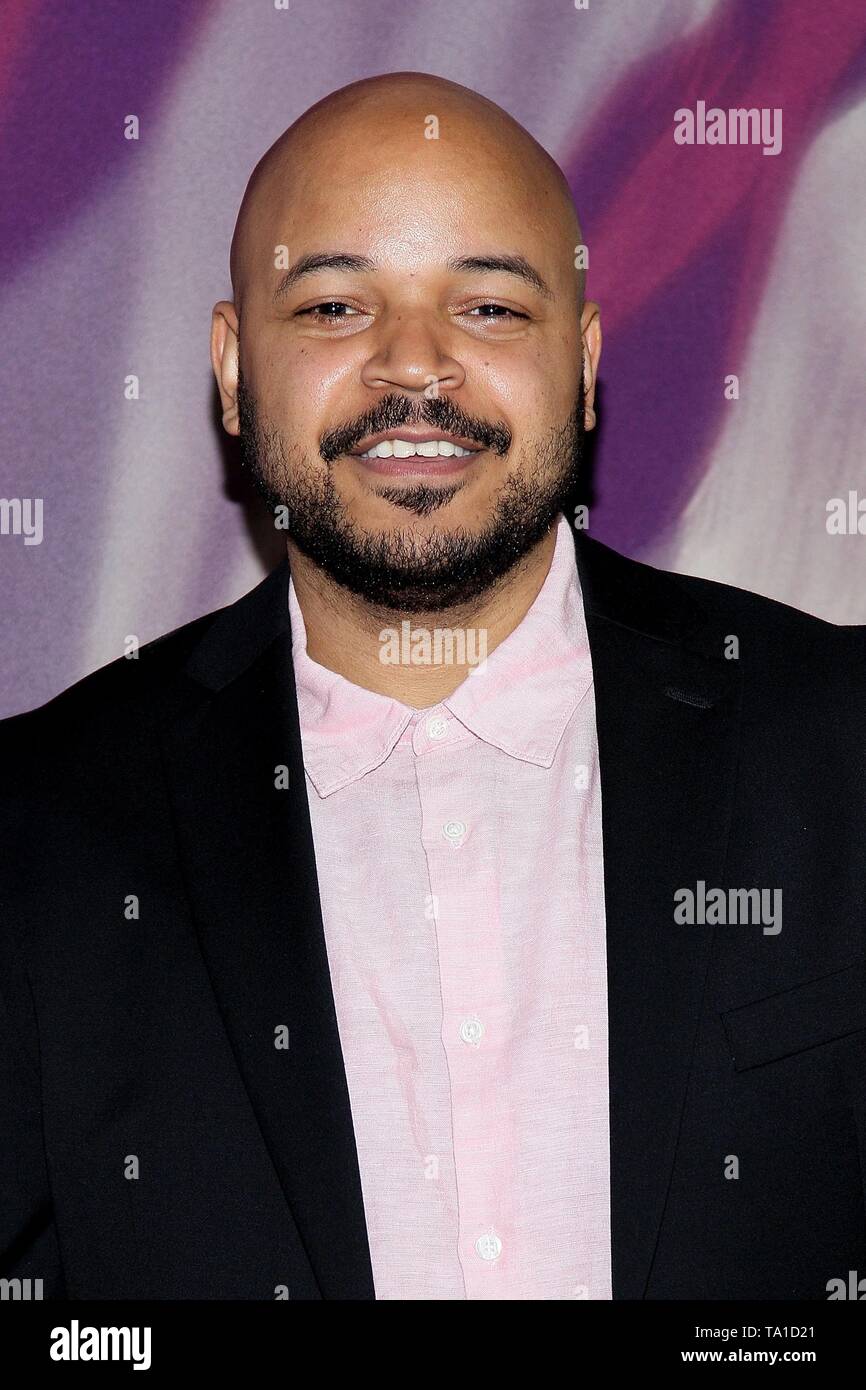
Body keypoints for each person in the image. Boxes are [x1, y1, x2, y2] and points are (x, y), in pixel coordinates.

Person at [1, 72, 863, 1302]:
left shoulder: (836, 745)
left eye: (491, 306)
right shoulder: (38, 834)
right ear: (234, 370)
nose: (417, 365)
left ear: (581, 359)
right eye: (338, 302)